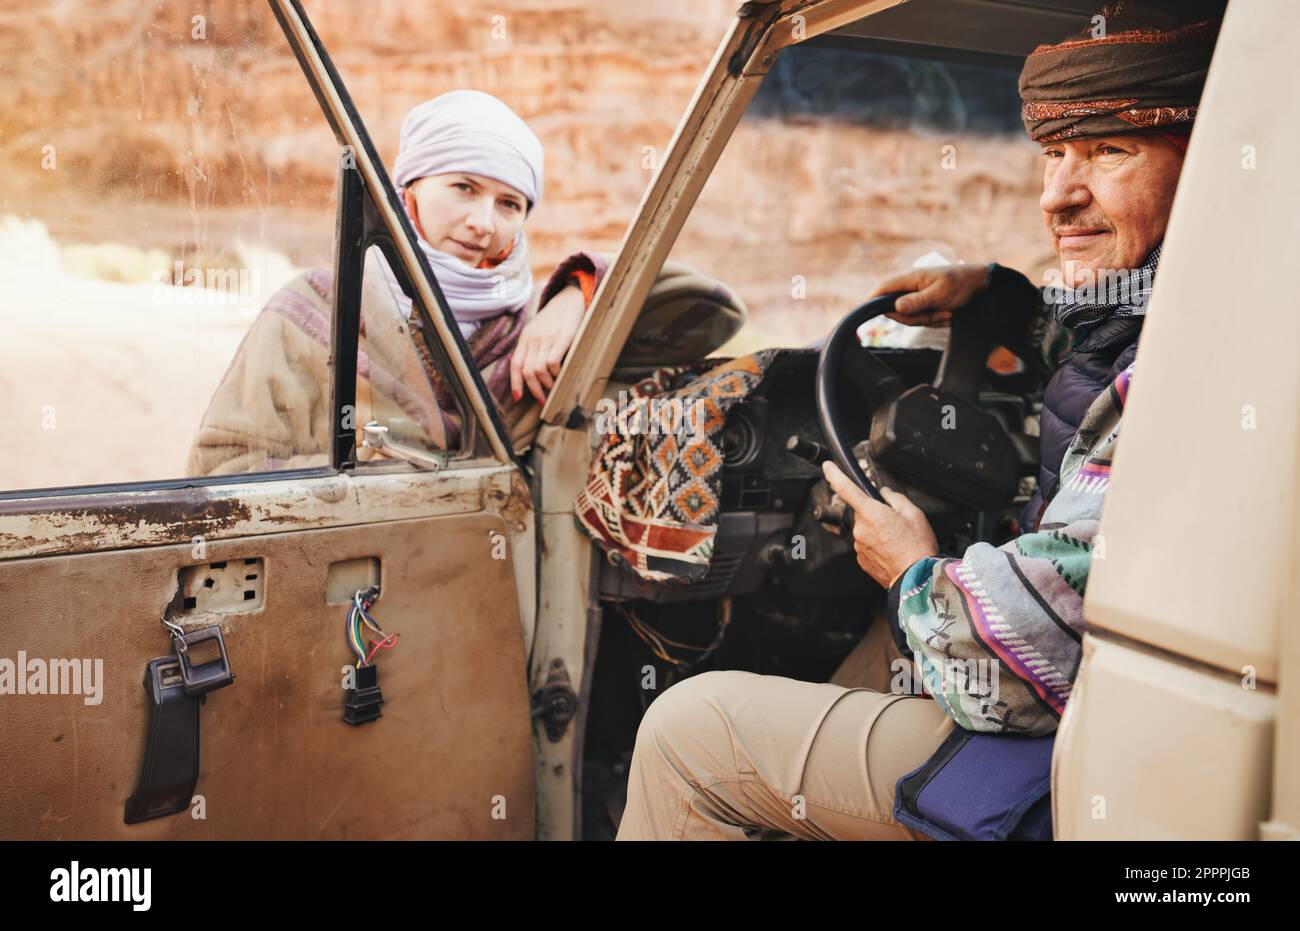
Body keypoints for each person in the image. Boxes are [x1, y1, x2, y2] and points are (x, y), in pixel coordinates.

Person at [615, 2, 1220, 839]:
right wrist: (995, 294)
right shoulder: (1182, 313)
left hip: (1080, 751)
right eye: (1053, 152)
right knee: (884, 644)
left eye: (1109, 150)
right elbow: (1089, 356)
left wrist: (913, 571)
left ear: (1212, 166)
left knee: (687, 733)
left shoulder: (1195, 377)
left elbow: (1031, 661)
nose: (1057, 194)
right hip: (1111, 710)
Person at [186, 90, 606, 476]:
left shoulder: (535, 328)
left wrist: (577, 292)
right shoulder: (319, 307)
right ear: (411, 188)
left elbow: (660, 299)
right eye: (464, 187)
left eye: (509, 204)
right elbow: (221, 470)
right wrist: (382, 473)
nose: (483, 222)